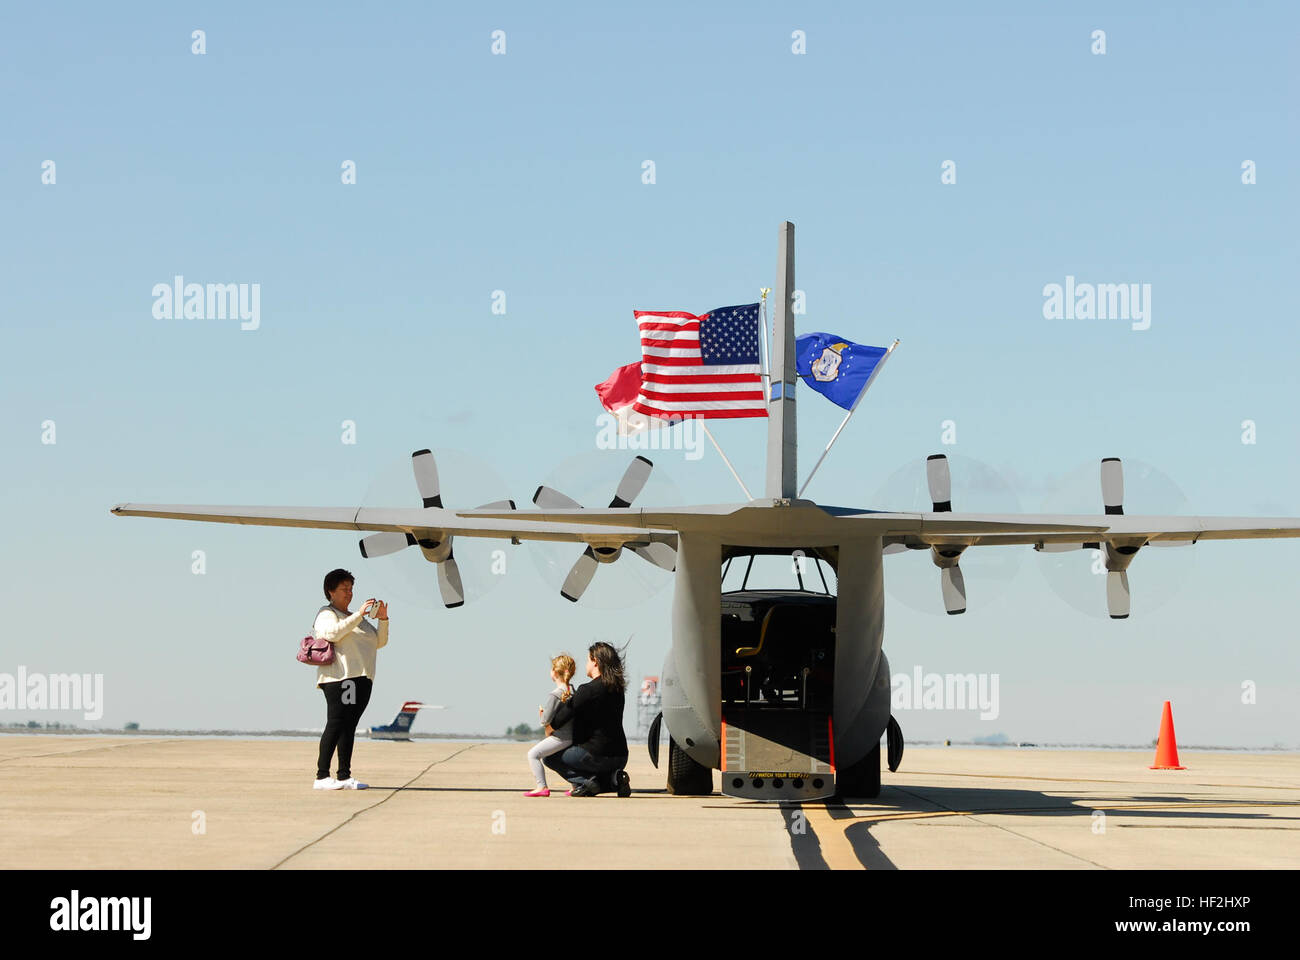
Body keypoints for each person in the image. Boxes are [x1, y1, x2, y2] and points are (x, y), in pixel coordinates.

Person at [312, 568, 389, 790]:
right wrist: (359, 614)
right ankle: (322, 776)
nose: (349, 593)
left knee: (349, 726)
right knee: (336, 723)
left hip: (362, 678)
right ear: (331, 591)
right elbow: (332, 634)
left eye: (351, 589)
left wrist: (383, 619)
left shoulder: (356, 619)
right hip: (341, 678)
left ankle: (344, 775)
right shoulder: (327, 613)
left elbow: (378, 642)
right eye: (344, 589)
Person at [543, 641, 631, 797]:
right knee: (594, 765)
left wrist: (549, 728)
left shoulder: (588, 690)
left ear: (595, 662)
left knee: (549, 758)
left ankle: (587, 782)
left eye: (588, 660)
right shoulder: (618, 690)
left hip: (595, 754)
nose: (586, 664)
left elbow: (564, 714)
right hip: (621, 756)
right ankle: (615, 779)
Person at [523, 654, 577, 797]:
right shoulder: (573, 691)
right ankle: (575, 785)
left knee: (533, 754)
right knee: (562, 760)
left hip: (560, 737)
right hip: (573, 736)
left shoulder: (555, 694)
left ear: (554, 672)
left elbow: (546, 720)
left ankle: (541, 787)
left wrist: (542, 714)